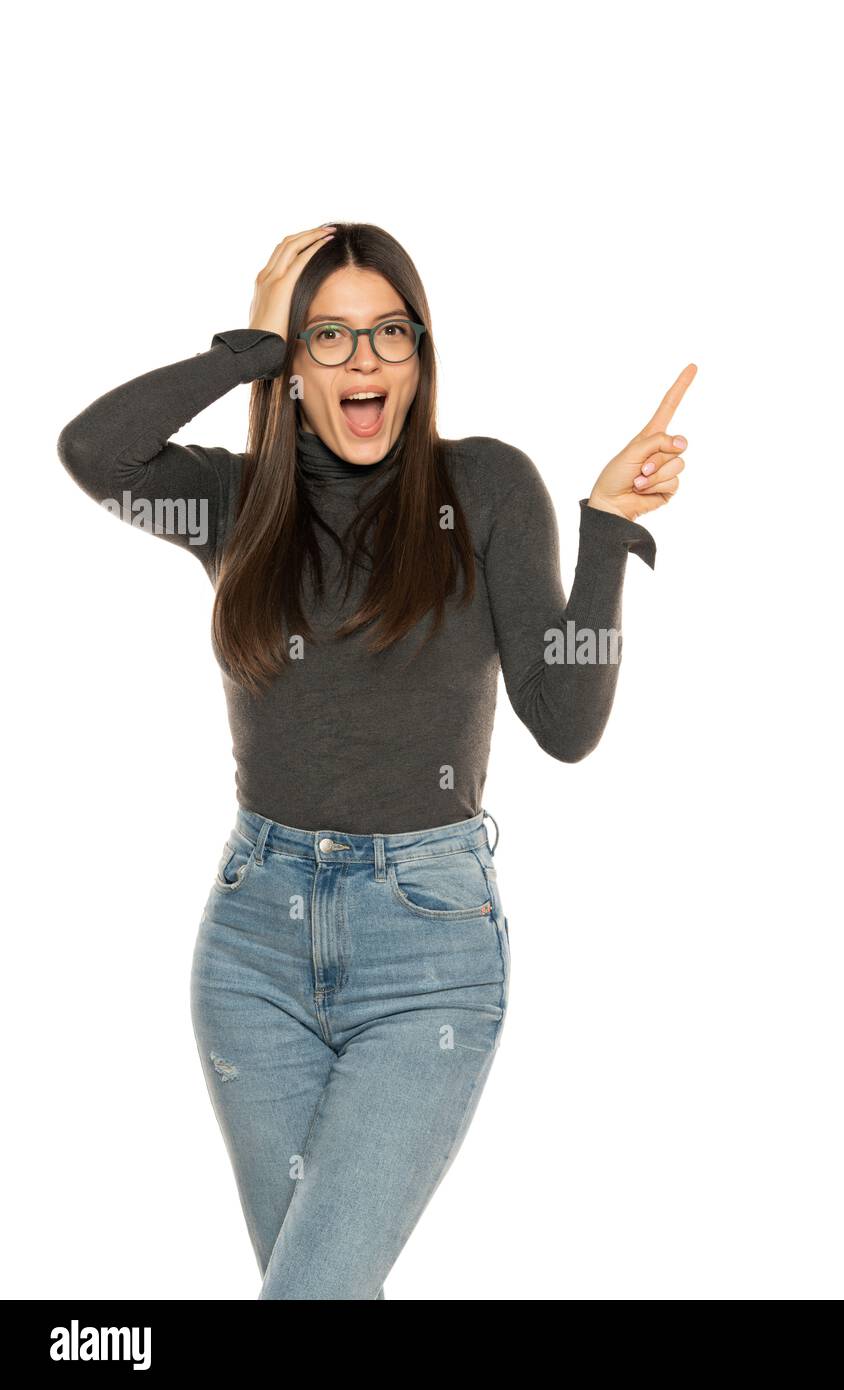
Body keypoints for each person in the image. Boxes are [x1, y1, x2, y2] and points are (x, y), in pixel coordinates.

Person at [56, 222, 695, 1299]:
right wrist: (243, 351)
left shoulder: (485, 487)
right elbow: (94, 452)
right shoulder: (239, 502)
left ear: (420, 354)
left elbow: (565, 721)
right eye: (328, 337)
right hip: (250, 951)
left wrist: (602, 528)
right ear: (293, 365)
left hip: (427, 951)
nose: (363, 361)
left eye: (388, 333)